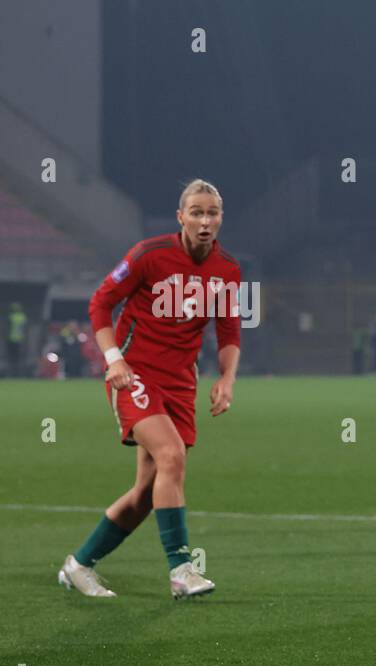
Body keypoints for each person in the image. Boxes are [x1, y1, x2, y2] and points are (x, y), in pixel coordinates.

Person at [58, 179, 242, 599]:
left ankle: (78, 564)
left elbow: (229, 331)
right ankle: (181, 570)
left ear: (220, 219)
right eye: (196, 212)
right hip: (134, 374)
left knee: (146, 493)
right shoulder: (148, 255)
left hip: (180, 383)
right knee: (171, 454)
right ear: (180, 217)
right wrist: (113, 359)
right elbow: (101, 303)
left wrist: (226, 379)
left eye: (212, 213)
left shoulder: (228, 270)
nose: (204, 221)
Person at [6, 301, 27, 377]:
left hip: (11, 339)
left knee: (11, 358)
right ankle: (18, 374)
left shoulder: (11, 317)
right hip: (20, 340)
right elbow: (25, 329)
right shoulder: (23, 317)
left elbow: (7, 328)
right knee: (19, 358)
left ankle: (11, 374)